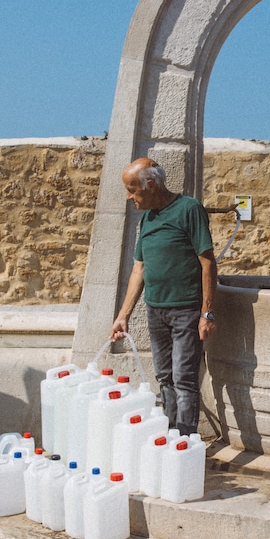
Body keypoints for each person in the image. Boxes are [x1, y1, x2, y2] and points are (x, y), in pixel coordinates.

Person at [110, 158, 218, 435]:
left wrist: (207, 313)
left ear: (151, 184)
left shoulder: (189, 209)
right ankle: (169, 435)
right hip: (155, 310)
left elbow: (207, 262)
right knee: (164, 378)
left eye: (132, 190)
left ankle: (185, 441)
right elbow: (140, 269)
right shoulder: (147, 217)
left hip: (186, 311)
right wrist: (123, 316)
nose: (129, 196)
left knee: (183, 379)